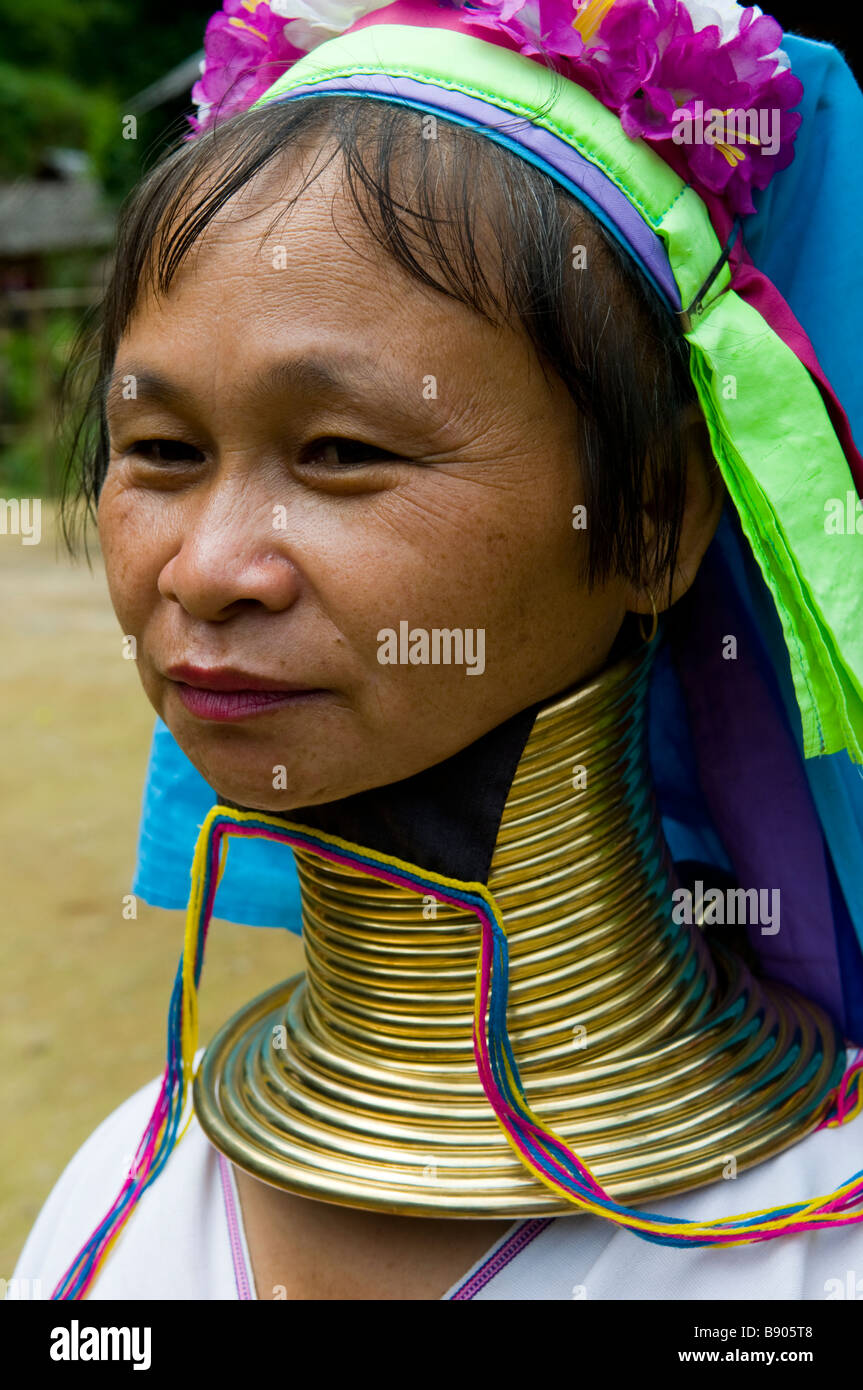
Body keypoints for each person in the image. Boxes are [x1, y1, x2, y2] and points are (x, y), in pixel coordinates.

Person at [12, 0, 863, 1301]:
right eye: (166, 453)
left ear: (654, 518)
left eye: (342, 453)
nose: (203, 567)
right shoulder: (122, 1203)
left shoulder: (816, 1244)